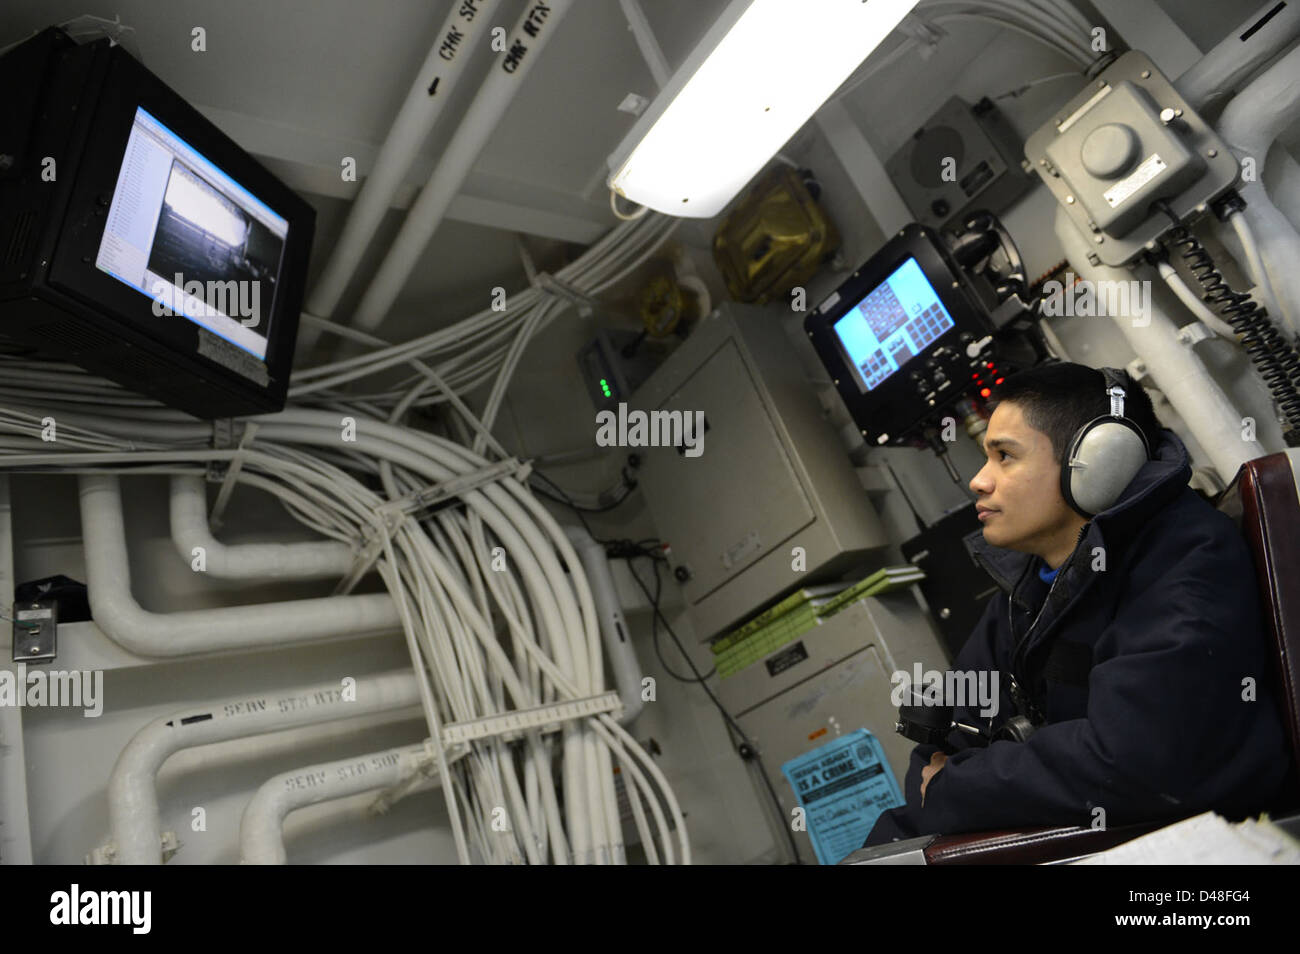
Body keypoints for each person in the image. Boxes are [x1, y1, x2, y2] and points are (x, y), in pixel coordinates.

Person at [863, 362, 1293, 846]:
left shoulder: (1184, 561)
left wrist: (957, 785)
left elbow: (1135, 760)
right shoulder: (1024, 591)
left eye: (1004, 456)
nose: (978, 482)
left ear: (1101, 460)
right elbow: (938, 751)